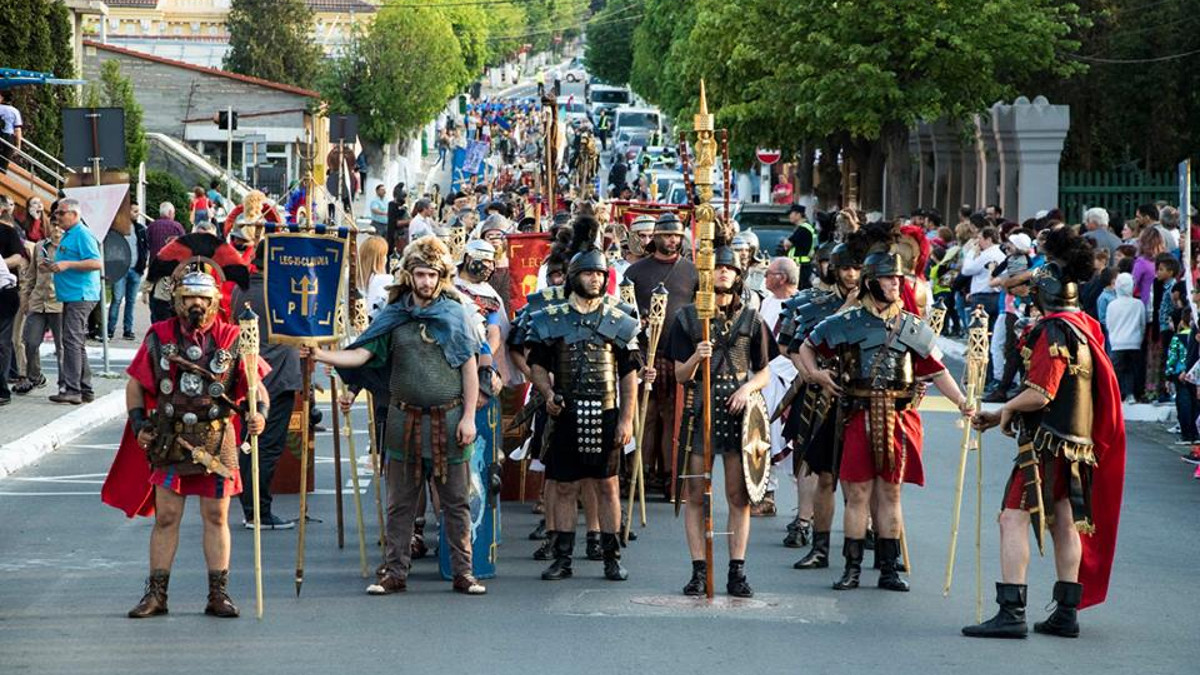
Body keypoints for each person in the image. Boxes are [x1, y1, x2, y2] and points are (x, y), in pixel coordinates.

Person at [964, 227, 1124, 639]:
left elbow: (1040, 393)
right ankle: (1065, 614)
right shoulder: (1083, 327)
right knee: (1064, 522)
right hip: (1076, 444)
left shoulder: (1052, 330)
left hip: (1046, 445)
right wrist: (1001, 414)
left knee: (1012, 518)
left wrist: (1004, 409)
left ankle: (1011, 612)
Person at [312, 235, 486, 596]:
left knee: (455, 503)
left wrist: (469, 416)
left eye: (432, 275)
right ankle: (394, 572)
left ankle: (463, 573)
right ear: (409, 275)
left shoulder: (455, 315)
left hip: (449, 420)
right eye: (420, 274)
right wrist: (321, 355)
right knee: (399, 505)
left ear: (441, 277)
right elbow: (361, 355)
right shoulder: (394, 316)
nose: (426, 281)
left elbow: (469, 369)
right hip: (403, 421)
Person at [798, 248, 973, 592]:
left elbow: (937, 371)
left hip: (898, 417)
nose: (896, 283)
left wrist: (962, 402)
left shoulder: (911, 326)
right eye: (889, 278)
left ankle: (889, 569)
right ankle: (852, 568)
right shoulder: (845, 322)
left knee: (891, 494)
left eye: (898, 278)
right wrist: (816, 374)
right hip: (857, 415)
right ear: (871, 282)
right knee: (858, 493)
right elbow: (808, 345)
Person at [104, 264, 267, 619]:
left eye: (203, 297)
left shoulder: (232, 337)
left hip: (216, 440)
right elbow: (136, 385)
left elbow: (257, 388)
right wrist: (138, 423)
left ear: (214, 301)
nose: (196, 303)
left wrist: (260, 415)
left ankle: (218, 594)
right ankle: (156, 595)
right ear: (178, 300)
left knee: (216, 515)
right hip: (171, 439)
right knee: (166, 516)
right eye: (189, 296)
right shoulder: (159, 335)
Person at [525, 220, 643, 583]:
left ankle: (611, 557)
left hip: (605, 412)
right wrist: (547, 394)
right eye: (589, 273)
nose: (595, 279)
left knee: (607, 485)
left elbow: (629, 375)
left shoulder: (619, 319)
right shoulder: (551, 319)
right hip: (565, 413)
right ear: (575, 276)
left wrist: (626, 420)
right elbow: (537, 364)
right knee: (563, 486)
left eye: (600, 274)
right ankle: (562, 558)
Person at [668, 235, 776, 598]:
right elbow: (680, 375)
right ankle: (699, 570)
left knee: (738, 495)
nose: (724, 273)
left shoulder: (751, 318)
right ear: (706, 273)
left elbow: (764, 371)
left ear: (738, 274)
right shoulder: (688, 318)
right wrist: (696, 357)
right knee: (696, 495)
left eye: (730, 268)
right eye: (718, 267)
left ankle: (736, 571)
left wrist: (747, 390)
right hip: (700, 411)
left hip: (739, 414)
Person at [780, 237, 866, 569]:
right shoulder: (813, 302)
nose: (851, 275)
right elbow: (793, 346)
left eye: (857, 268)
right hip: (818, 395)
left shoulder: (878, 306)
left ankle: (871, 533)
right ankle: (808, 526)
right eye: (846, 268)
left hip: (862, 397)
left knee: (862, 475)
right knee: (816, 467)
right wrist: (812, 375)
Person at [624, 213, 699, 499]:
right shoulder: (636, 272)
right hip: (644, 351)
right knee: (646, 413)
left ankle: (670, 475)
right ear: (656, 237)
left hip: (677, 352)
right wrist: (638, 323)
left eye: (677, 236)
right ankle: (640, 475)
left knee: (672, 413)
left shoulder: (691, 272)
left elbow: (699, 311)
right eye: (668, 235)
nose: (672, 240)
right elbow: (624, 311)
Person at [233, 251, 299, 530]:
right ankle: (258, 511)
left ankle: (252, 507)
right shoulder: (278, 291)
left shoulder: (241, 288)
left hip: (252, 376)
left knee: (250, 444)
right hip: (275, 378)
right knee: (266, 448)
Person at [47, 199, 100, 405]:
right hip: (72, 295)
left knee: (71, 341)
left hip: (81, 295)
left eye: (61, 213)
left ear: (74, 214)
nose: (57, 217)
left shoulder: (82, 234)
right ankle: (85, 389)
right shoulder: (70, 234)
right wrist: (54, 266)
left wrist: (67, 264)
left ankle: (72, 390)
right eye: (56, 213)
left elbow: (96, 262)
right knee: (76, 342)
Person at [14, 220, 62, 395]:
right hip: (38, 302)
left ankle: (65, 383)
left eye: (59, 225)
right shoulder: (40, 246)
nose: (56, 228)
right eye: (53, 224)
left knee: (62, 346)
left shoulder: (70, 247)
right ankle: (35, 377)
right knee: (30, 342)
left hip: (59, 303)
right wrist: (25, 298)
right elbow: (31, 275)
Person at [108, 214, 148, 340]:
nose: (136, 214)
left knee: (131, 301)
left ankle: (128, 330)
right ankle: (110, 329)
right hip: (120, 270)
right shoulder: (117, 229)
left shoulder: (140, 229)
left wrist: (143, 264)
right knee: (117, 299)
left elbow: (144, 248)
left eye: (137, 211)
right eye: (134, 211)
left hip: (135, 269)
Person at [961, 227, 1006, 333]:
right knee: (992, 332)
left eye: (980, 238)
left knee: (978, 332)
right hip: (997, 295)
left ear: (989, 240)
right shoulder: (1002, 254)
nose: (978, 242)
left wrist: (971, 252)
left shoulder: (987, 254)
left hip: (983, 297)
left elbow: (966, 270)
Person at [783, 205, 817, 288]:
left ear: (798, 215)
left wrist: (786, 242)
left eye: (791, 213)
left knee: (800, 289)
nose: (789, 216)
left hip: (801, 266)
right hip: (803, 265)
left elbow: (787, 244)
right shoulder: (807, 227)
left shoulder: (803, 229)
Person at [0, 90, 22, 174]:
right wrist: (18, 145)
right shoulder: (15, 111)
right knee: (3, 164)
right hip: (8, 138)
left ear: (2, 98)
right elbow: (17, 129)